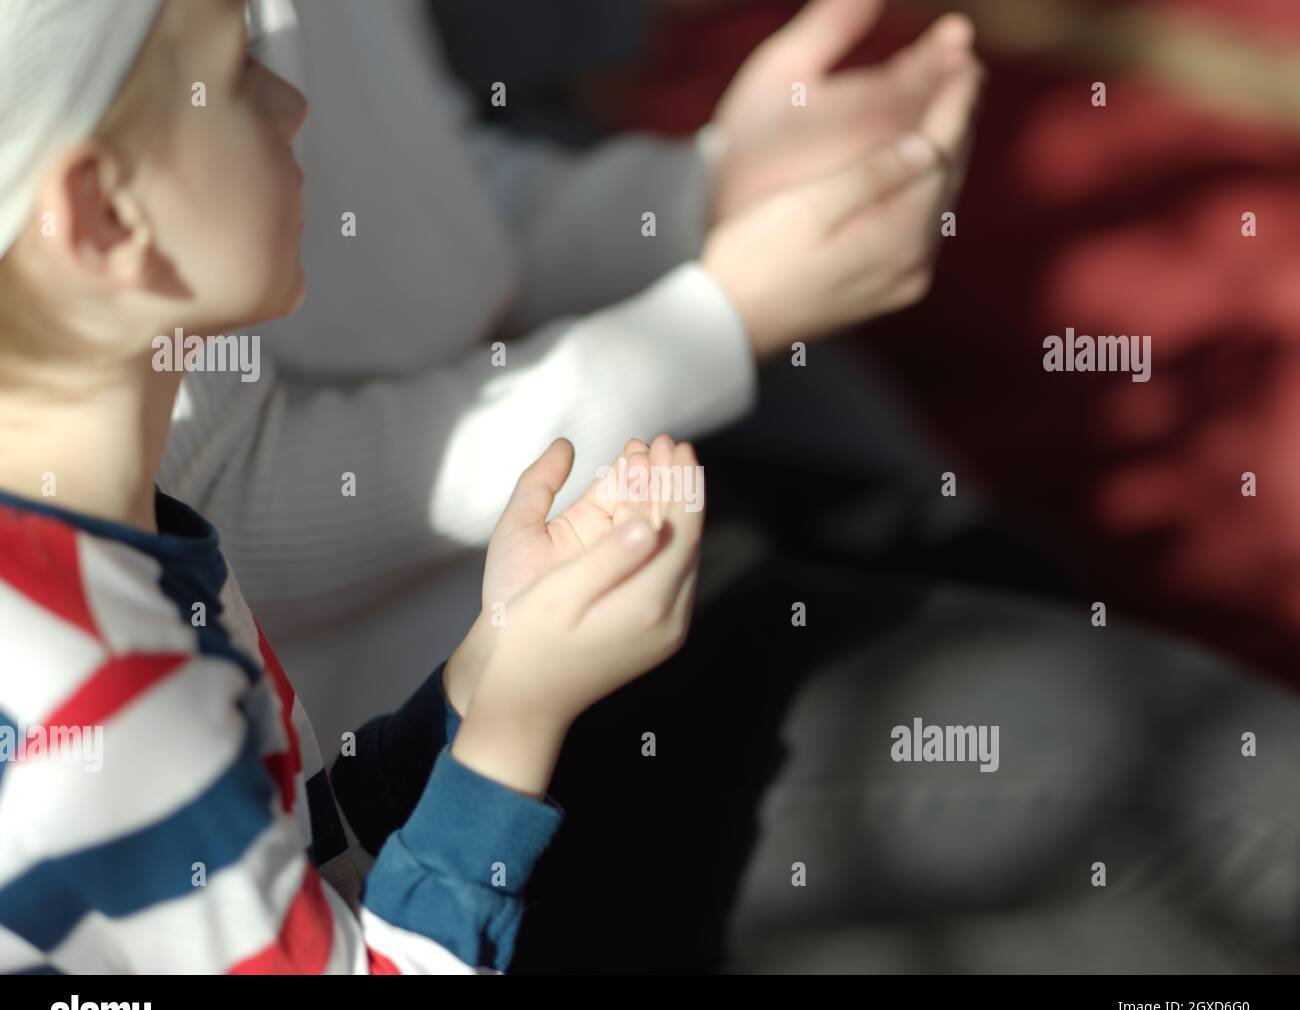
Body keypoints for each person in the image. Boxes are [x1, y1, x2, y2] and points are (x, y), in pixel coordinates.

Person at [0, 0, 712, 975]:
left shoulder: (111, 564)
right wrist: (520, 720)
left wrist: (491, 659)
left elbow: (284, 859)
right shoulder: (118, 691)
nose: (293, 106)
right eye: (242, 74)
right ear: (105, 217)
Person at [160, 0, 984, 756]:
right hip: (419, 748)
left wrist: (704, 188)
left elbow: (445, 209)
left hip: (607, 561)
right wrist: (723, 319)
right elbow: (217, 520)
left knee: (991, 561)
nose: (289, 107)